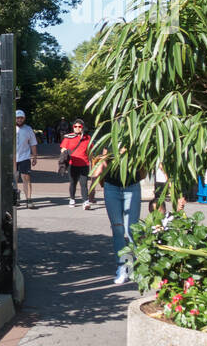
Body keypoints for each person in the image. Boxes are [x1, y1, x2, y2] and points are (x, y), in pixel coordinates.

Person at [92, 147, 147, 284]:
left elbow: (144, 162)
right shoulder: (109, 135)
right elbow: (103, 160)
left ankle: (132, 266)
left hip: (132, 185)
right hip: (112, 186)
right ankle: (122, 267)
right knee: (118, 229)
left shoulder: (135, 136)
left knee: (131, 229)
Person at [58, 119, 94, 208]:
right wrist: (64, 152)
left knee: (84, 183)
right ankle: (72, 199)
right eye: (75, 126)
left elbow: (91, 151)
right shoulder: (68, 137)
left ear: (82, 127)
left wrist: (92, 162)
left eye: (79, 126)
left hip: (84, 164)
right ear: (73, 127)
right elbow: (63, 148)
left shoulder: (87, 138)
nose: (77, 128)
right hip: (72, 164)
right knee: (73, 182)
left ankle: (85, 201)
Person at [14, 110, 40, 209]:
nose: (19, 120)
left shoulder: (28, 129)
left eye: (21, 118)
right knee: (14, 178)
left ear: (24, 119)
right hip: (13, 158)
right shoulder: (10, 128)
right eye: (17, 118)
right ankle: (15, 198)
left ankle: (29, 199)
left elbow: (33, 143)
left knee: (26, 178)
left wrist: (35, 157)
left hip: (24, 157)